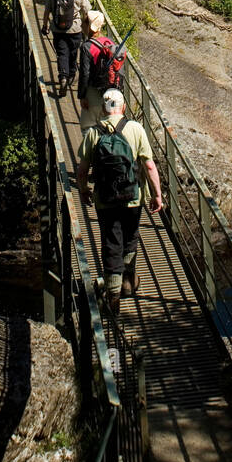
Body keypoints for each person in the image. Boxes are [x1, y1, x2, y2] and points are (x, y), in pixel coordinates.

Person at [77, 89, 163, 319]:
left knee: (111, 241)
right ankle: (127, 282)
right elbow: (150, 166)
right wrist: (157, 195)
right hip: (132, 197)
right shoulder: (135, 129)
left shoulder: (93, 134)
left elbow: (82, 169)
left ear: (104, 109)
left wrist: (84, 190)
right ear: (123, 107)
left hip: (105, 200)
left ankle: (113, 296)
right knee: (130, 236)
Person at [41, 0, 91, 98]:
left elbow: (47, 11)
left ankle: (63, 76)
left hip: (58, 29)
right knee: (73, 53)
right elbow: (87, 11)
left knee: (62, 53)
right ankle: (71, 76)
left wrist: (45, 25)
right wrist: (87, 28)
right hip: (75, 29)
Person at [77, 10, 121, 131]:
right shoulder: (110, 43)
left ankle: (91, 150)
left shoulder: (87, 47)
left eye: (84, 23)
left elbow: (85, 74)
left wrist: (82, 96)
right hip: (111, 91)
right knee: (108, 128)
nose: (82, 26)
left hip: (93, 93)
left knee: (88, 127)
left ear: (89, 26)